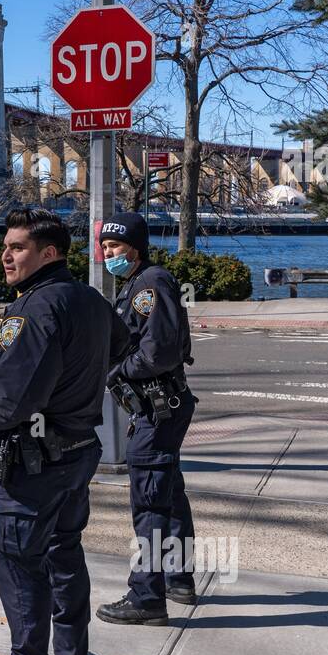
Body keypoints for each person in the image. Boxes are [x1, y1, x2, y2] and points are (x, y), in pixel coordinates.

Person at [0, 207, 127, 655]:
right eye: (6, 246)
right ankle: (72, 650)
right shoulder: (91, 300)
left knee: (18, 563)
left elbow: (8, 402)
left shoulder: (33, 310)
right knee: (63, 547)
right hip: (77, 450)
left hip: (34, 463)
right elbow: (121, 348)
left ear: (48, 253)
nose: (6, 255)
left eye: (18, 248)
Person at [95, 212, 199, 627]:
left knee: (150, 504)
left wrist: (116, 371)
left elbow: (158, 352)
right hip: (159, 409)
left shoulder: (150, 283)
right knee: (169, 495)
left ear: (134, 248)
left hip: (158, 410)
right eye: (105, 247)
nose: (108, 254)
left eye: (115, 248)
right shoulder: (138, 284)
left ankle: (147, 596)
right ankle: (178, 579)